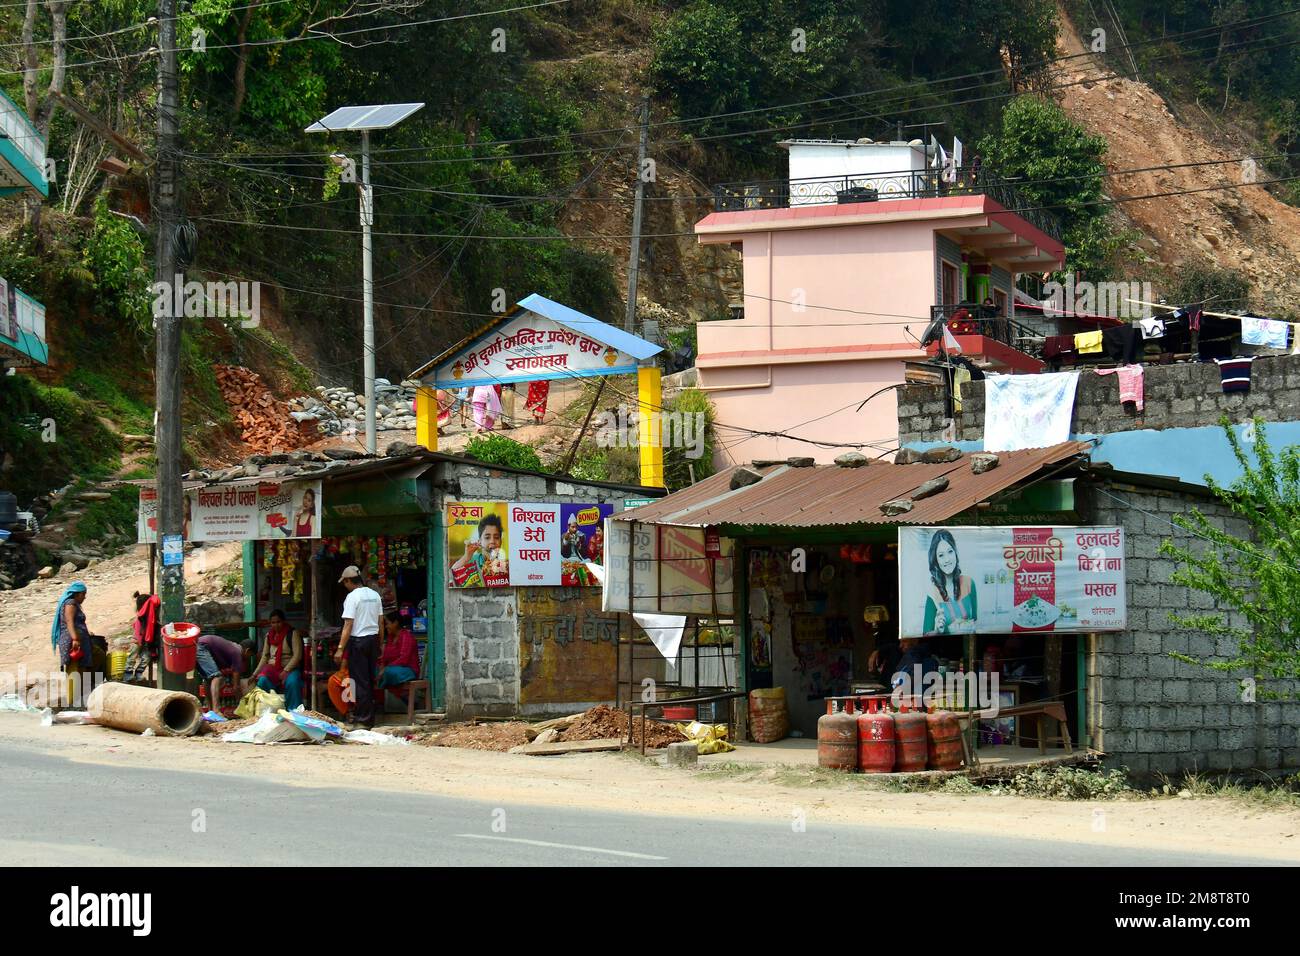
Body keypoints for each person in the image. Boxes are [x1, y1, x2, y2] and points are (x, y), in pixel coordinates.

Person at [335, 566, 382, 729]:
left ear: (349, 581)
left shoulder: (352, 597)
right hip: (373, 640)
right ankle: (369, 717)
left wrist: (340, 648)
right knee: (369, 679)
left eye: (345, 582)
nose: (345, 585)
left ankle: (363, 719)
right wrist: (380, 643)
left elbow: (348, 623)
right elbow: (380, 621)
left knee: (360, 682)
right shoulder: (375, 595)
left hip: (359, 642)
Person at [923, 529, 977, 634]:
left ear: (955, 552)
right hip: (945, 647)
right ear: (935, 560)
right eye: (941, 555)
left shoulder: (969, 583)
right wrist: (938, 631)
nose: (947, 560)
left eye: (950, 551)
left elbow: (975, 620)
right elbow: (926, 634)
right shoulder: (932, 594)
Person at [252, 610, 303, 710]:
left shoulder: (292, 633)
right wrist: (254, 674)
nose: (276, 625)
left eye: (278, 622)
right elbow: (265, 656)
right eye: (273, 622)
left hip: (290, 668)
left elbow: (297, 656)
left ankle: (294, 712)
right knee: (262, 682)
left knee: (293, 682)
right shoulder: (269, 636)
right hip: (273, 668)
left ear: (283, 621)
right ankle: (266, 711)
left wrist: (286, 670)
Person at [51, 581, 103, 675]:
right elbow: (69, 621)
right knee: (74, 668)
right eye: (83, 594)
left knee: (95, 656)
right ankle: (76, 689)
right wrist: (75, 638)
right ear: (77, 594)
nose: (84, 597)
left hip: (80, 639)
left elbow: (77, 622)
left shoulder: (74, 604)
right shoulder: (71, 603)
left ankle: (86, 685)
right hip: (72, 641)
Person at [196, 633, 256, 711]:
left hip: (196, 645)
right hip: (203, 646)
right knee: (217, 677)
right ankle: (216, 711)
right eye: (250, 655)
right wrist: (243, 704)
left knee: (207, 679)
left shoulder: (233, 647)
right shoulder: (238, 654)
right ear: (247, 651)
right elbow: (236, 687)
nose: (249, 658)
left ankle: (211, 711)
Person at [450, 513, 504, 586]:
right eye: (487, 537)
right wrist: (465, 558)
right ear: (480, 541)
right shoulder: (471, 561)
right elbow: (451, 577)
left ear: (501, 541)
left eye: (496, 537)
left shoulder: (506, 565)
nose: (492, 541)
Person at [377, 609, 421, 697]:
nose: (386, 626)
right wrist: (382, 666)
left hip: (408, 670)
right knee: (374, 670)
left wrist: (385, 669)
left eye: (387, 623)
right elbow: (384, 657)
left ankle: (383, 687)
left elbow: (404, 659)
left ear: (395, 623)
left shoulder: (406, 637)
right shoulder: (390, 638)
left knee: (388, 672)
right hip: (392, 668)